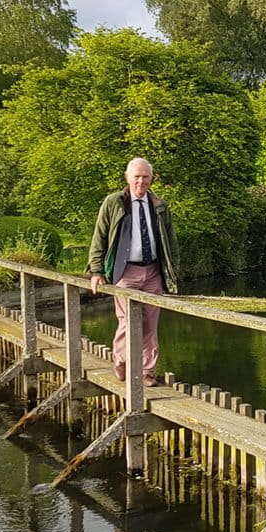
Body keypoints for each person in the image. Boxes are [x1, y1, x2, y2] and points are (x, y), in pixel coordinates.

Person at [88, 157, 178, 386]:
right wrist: (96, 271)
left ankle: (147, 372)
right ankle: (122, 362)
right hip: (125, 271)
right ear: (127, 178)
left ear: (151, 178)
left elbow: (171, 242)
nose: (141, 181)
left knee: (150, 323)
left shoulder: (159, 205)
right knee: (128, 321)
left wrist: (172, 271)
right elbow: (99, 237)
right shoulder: (114, 202)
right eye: (136, 176)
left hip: (152, 271)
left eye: (145, 176)